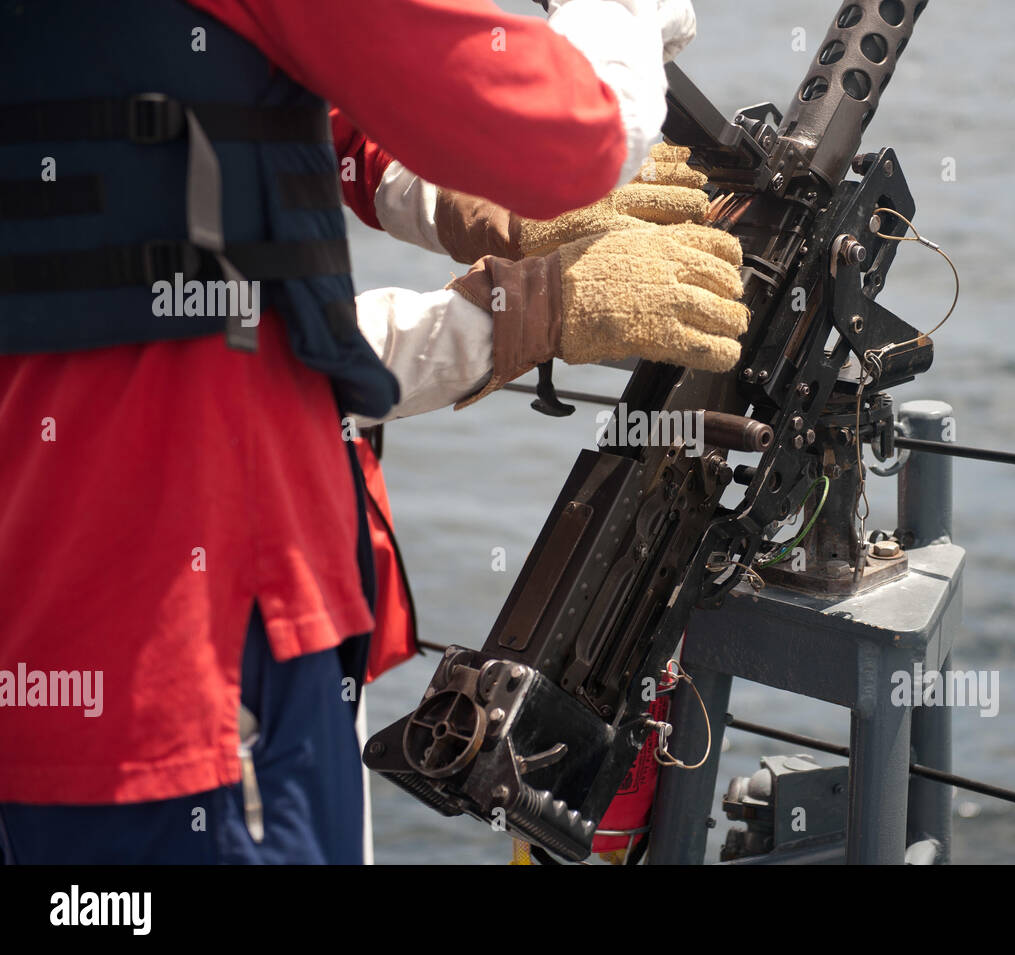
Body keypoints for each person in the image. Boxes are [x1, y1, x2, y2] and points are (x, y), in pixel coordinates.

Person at [0, 0, 743, 864]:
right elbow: (574, 129)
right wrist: (526, 308)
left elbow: (299, 123)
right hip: (194, 668)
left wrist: (486, 208)